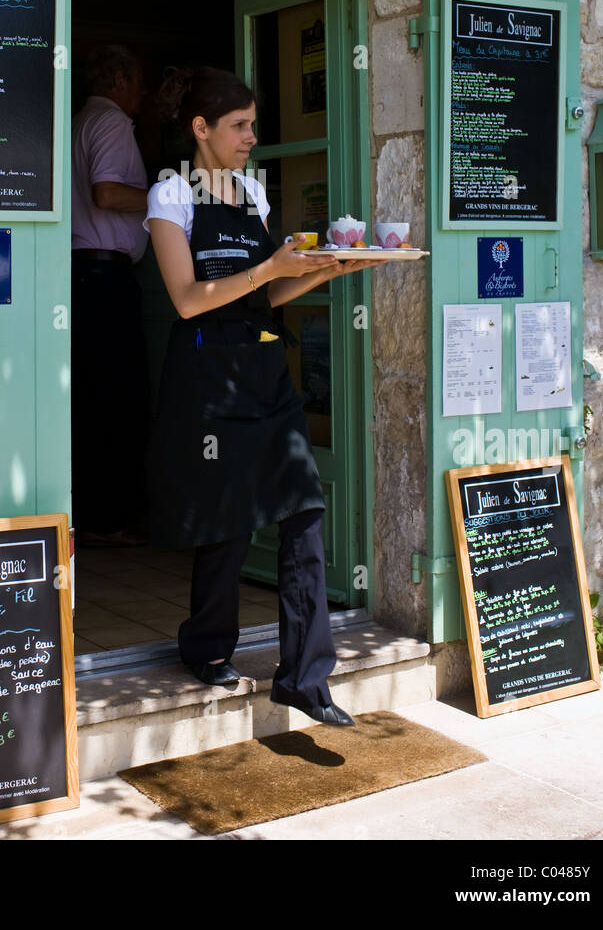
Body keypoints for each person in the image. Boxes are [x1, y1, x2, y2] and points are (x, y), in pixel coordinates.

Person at [143, 66, 385, 726]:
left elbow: (270, 293)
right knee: (227, 519)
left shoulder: (253, 192)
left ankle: (306, 678)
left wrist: (331, 269)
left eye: (254, 124)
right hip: (208, 372)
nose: (253, 137)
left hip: (267, 366)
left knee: (304, 509)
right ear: (201, 129)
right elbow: (190, 301)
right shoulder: (171, 195)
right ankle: (207, 647)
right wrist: (270, 266)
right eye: (240, 126)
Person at [71, 43, 151, 546]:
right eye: (138, 80)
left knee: (92, 397)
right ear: (119, 79)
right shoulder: (113, 123)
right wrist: (173, 196)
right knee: (118, 399)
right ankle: (110, 520)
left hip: (83, 276)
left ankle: (93, 513)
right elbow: (107, 192)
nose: (141, 91)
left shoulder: (78, 120)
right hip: (105, 277)